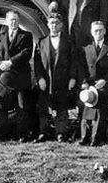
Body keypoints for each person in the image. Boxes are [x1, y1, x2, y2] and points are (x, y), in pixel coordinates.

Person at [0, 10, 36, 141]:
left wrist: (10, 62)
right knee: (2, 107)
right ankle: (3, 134)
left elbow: (26, 53)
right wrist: (0, 64)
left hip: (19, 75)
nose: (13, 22)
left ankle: (22, 134)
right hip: (2, 76)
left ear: (19, 21)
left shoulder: (26, 35)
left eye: (15, 19)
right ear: (6, 21)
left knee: (21, 105)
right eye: (11, 20)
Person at [33, 14, 81, 142]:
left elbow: (74, 61)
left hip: (63, 79)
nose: (53, 26)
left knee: (62, 106)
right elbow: (37, 63)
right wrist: (40, 79)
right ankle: (43, 132)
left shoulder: (69, 41)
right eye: (51, 23)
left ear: (60, 25)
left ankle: (61, 132)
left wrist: (72, 78)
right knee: (43, 106)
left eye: (56, 23)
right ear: (48, 25)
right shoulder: (41, 41)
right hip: (46, 79)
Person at [78, 21, 108, 146]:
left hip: (104, 83)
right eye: (95, 31)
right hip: (89, 83)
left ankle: (95, 137)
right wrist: (85, 83)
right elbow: (82, 67)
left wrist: (105, 80)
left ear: (104, 31)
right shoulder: (86, 48)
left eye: (100, 30)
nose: (98, 33)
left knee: (100, 102)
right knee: (87, 99)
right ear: (91, 32)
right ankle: (84, 136)